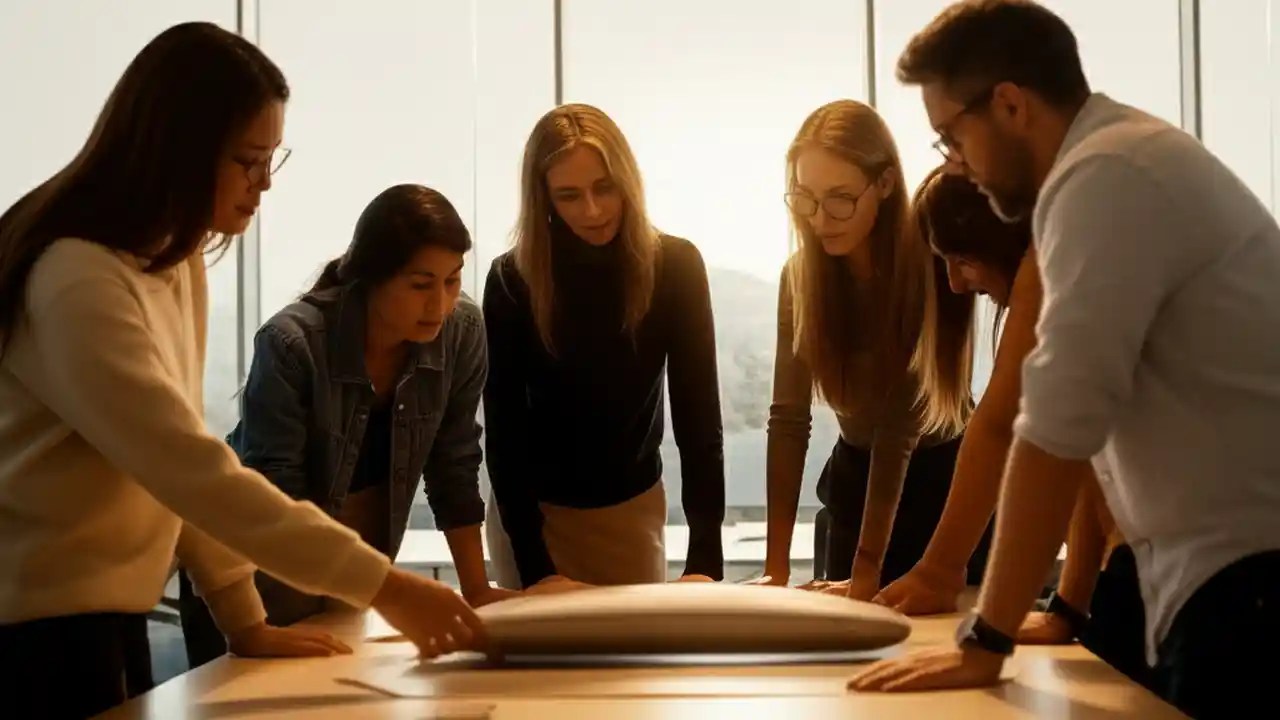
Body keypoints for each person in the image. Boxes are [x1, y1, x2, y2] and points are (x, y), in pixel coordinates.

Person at [0, 23, 484, 718]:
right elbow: (189, 469)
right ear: (178, 150)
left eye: (272, 161)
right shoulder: (77, 276)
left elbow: (179, 470)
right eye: (248, 161)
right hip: (33, 635)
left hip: (107, 622)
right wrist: (389, 587)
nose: (263, 186)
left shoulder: (177, 263)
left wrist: (242, 620)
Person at [850, 3, 1280, 717]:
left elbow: (1055, 429)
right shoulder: (1122, 159)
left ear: (1010, 104)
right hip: (1227, 578)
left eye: (951, 138)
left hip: (1252, 587)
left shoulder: (1103, 177)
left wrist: (983, 641)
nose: (956, 164)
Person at [177, 184, 517, 668]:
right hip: (247, 579)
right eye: (421, 285)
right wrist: (388, 592)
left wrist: (476, 589)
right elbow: (280, 495)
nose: (439, 304)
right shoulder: (291, 343)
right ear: (371, 277)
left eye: (452, 281)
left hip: (346, 577)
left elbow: (454, 459)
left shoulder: (462, 331)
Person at [879, 167, 1149, 686]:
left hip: (1178, 571)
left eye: (961, 260)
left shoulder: (1051, 261)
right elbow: (1084, 457)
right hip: (1143, 568)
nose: (956, 284)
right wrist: (1069, 607)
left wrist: (941, 573)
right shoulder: (1073, 268)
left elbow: (1003, 427)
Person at [482, 103, 725, 591]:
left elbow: (699, 421)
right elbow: (504, 432)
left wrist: (705, 560)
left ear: (628, 182)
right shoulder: (512, 280)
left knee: (633, 668)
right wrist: (537, 569)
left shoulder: (675, 266)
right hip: (531, 520)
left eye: (604, 188)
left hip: (629, 515)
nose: (591, 210)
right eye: (569, 196)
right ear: (543, 198)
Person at [757, 100, 983, 600]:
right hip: (857, 481)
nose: (820, 218)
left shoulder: (926, 260)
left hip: (942, 483)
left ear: (883, 184)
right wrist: (774, 570)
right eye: (804, 198)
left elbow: (900, 424)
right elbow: (789, 419)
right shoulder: (800, 277)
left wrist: (866, 572)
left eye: (840, 198)